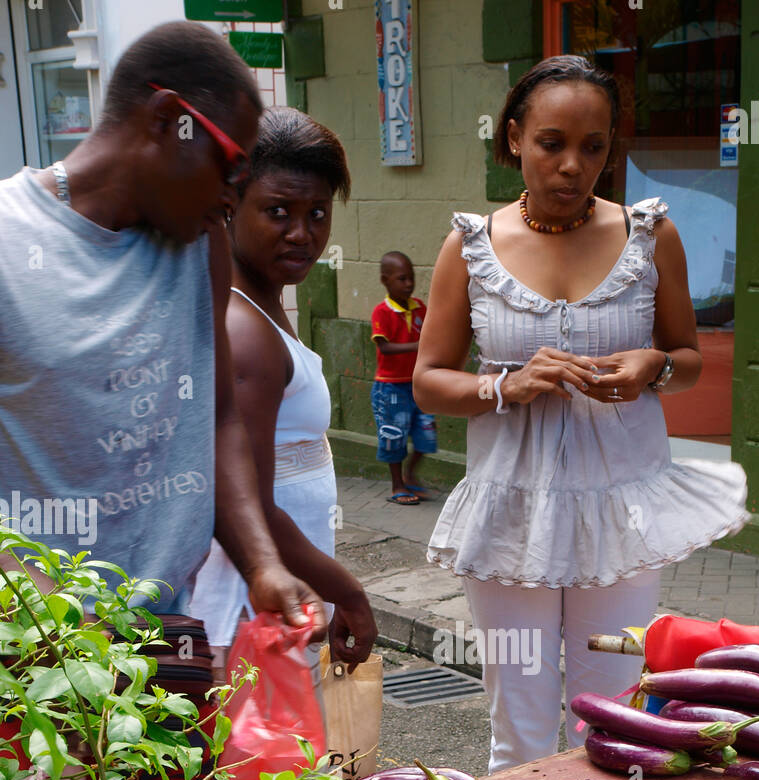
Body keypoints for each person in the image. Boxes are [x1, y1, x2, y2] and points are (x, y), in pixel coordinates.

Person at [0, 21, 373, 668]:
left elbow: (219, 417)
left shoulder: (195, 244)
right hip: (37, 657)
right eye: (230, 166)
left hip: (170, 640)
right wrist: (56, 624)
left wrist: (261, 563)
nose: (233, 197)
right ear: (169, 118)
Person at [413, 55, 748, 773]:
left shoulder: (650, 237)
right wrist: (506, 386)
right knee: (520, 726)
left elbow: (687, 355)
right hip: (511, 514)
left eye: (592, 147)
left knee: (616, 717)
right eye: (551, 143)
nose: (572, 165)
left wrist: (652, 366)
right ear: (513, 140)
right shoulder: (469, 249)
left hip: (620, 511)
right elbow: (428, 383)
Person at [190, 107, 377, 682]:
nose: (302, 233)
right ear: (231, 208)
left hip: (272, 605)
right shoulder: (245, 332)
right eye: (278, 212)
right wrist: (349, 592)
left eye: (317, 213)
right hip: (247, 612)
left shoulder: (261, 303)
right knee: (260, 767)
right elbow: (255, 507)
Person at [370, 252, 438, 504]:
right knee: (393, 437)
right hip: (390, 388)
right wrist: (417, 346)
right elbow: (384, 347)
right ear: (385, 281)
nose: (408, 284)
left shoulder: (420, 307)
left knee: (426, 434)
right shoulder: (382, 312)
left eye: (411, 278)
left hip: (418, 385)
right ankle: (397, 485)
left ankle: (410, 475)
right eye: (401, 279)